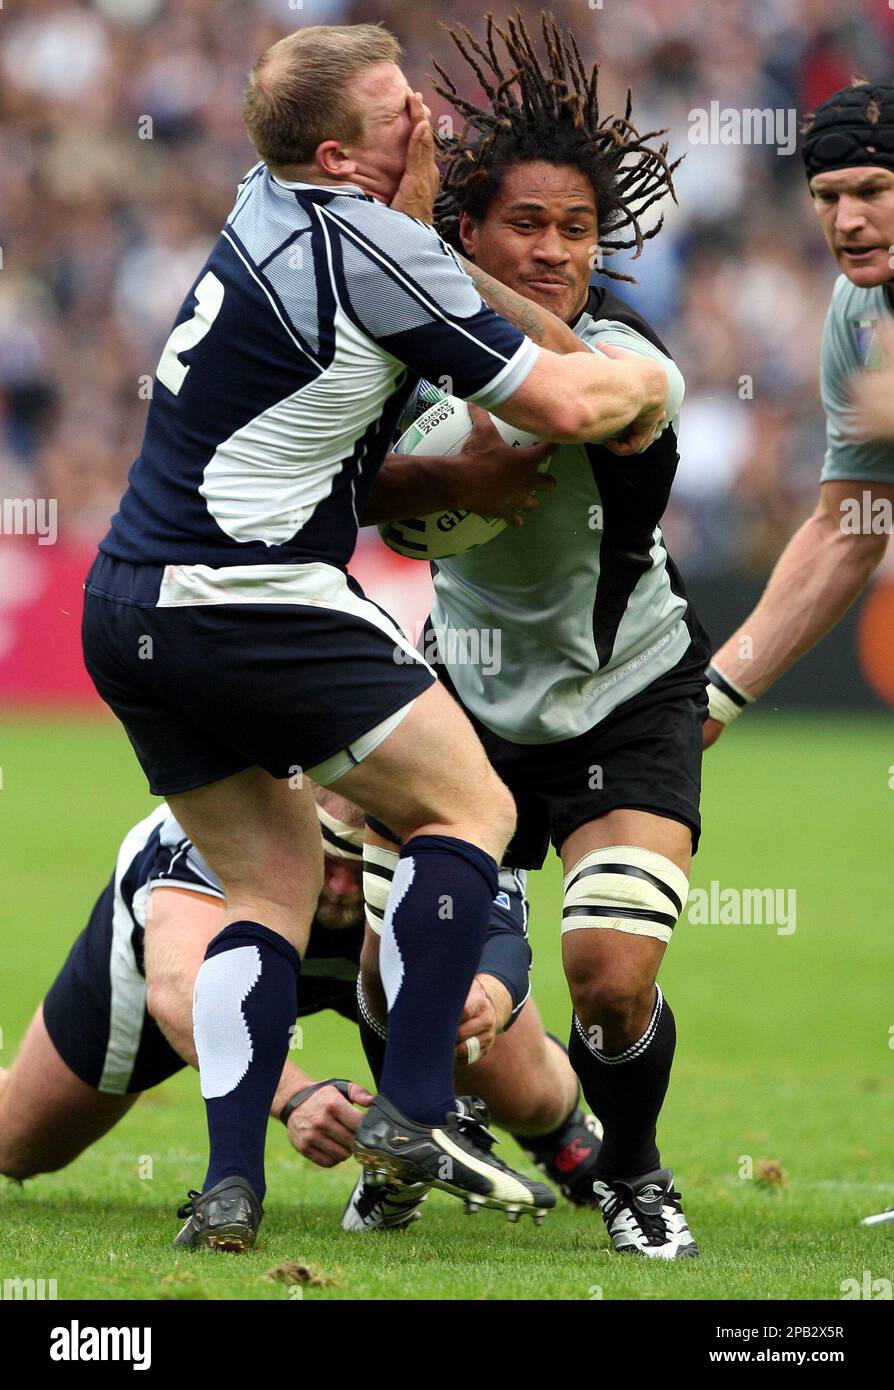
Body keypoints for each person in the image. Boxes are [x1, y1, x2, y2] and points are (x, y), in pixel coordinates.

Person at [80, 23, 671, 1248]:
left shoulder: (264, 201)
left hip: (125, 603)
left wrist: (403, 190)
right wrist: (652, 388)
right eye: (406, 108)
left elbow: (348, 451)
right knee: (475, 812)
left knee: (264, 886)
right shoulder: (369, 245)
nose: (433, 124)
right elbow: (568, 398)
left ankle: (230, 1187)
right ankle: (410, 1106)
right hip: (252, 594)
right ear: (342, 152)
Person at [358, 13, 708, 1259]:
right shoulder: (397, 363)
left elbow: (575, 390)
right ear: (470, 226)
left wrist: (420, 254)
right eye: (524, 225)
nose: (555, 249)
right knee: (390, 942)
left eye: (575, 228)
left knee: (610, 978)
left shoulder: (626, 352)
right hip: (470, 704)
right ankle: (416, 1141)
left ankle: (635, 1171)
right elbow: (349, 487)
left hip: (628, 693)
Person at [0, 792, 601, 1236]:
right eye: (326, 860)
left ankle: (565, 1138)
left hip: (383, 946)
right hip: (190, 961)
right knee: (20, 1143)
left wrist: (488, 997)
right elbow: (183, 988)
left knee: (531, 1094)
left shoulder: (441, 797)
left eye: (355, 862)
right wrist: (293, 1095)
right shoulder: (224, 809)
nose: (339, 886)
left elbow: (500, 930)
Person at [703, 80, 894, 1229]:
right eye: (829, 195)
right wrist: (724, 684)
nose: (850, 218)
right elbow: (848, 524)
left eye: (875, 187)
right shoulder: (856, 319)